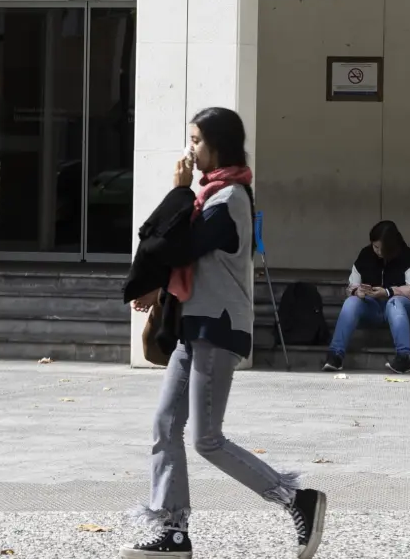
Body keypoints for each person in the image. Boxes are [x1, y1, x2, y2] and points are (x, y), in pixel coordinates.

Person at [125, 107, 327, 559]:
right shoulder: (207, 197)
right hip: (194, 326)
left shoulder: (230, 197)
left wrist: (178, 192)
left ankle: (297, 500)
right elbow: (174, 251)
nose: (190, 149)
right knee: (164, 423)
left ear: (218, 146)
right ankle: (173, 531)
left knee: (206, 439)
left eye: (196, 140)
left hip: (218, 327)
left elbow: (180, 245)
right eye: (190, 139)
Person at [321, 220, 410, 374]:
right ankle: (335, 355)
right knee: (352, 302)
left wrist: (388, 292)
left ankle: (404, 358)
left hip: (405, 309)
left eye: (381, 248)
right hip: (374, 307)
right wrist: (358, 292)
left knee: (394, 303)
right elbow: (351, 286)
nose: (377, 251)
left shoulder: (406, 256)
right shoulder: (365, 255)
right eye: (375, 247)